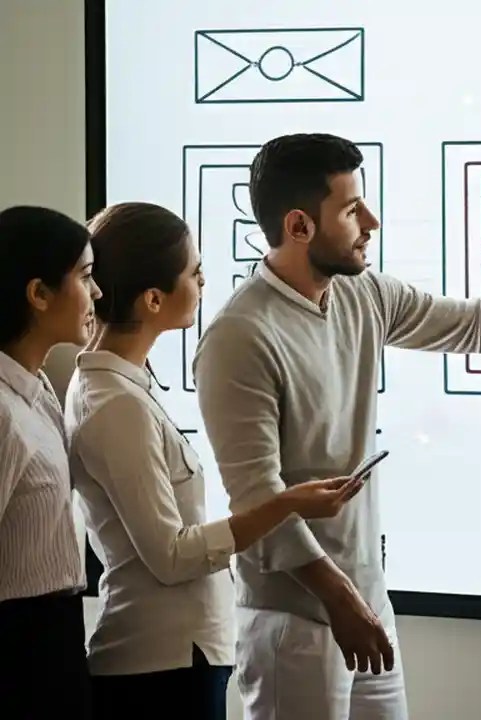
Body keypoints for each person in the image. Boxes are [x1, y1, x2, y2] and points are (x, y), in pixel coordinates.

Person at [192, 132, 481, 719]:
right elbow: (257, 501)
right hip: (296, 621)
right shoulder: (239, 337)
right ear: (298, 226)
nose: (371, 222)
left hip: (365, 604)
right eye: (351, 210)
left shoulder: (362, 292)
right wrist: (340, 599)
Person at [63, 202, 368, 719]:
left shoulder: (121, 387)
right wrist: (286, 504)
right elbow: (172, 556)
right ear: (153, 299)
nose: (205, 282)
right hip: (158, 667)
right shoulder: (114, 403)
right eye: (194, 271)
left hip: (180, 657)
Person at [0, 205, 100, 719]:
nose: (96, 293)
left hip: (54, 636)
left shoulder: (38, 389)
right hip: (18, 648)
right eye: (84, 276)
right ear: (38, 294)